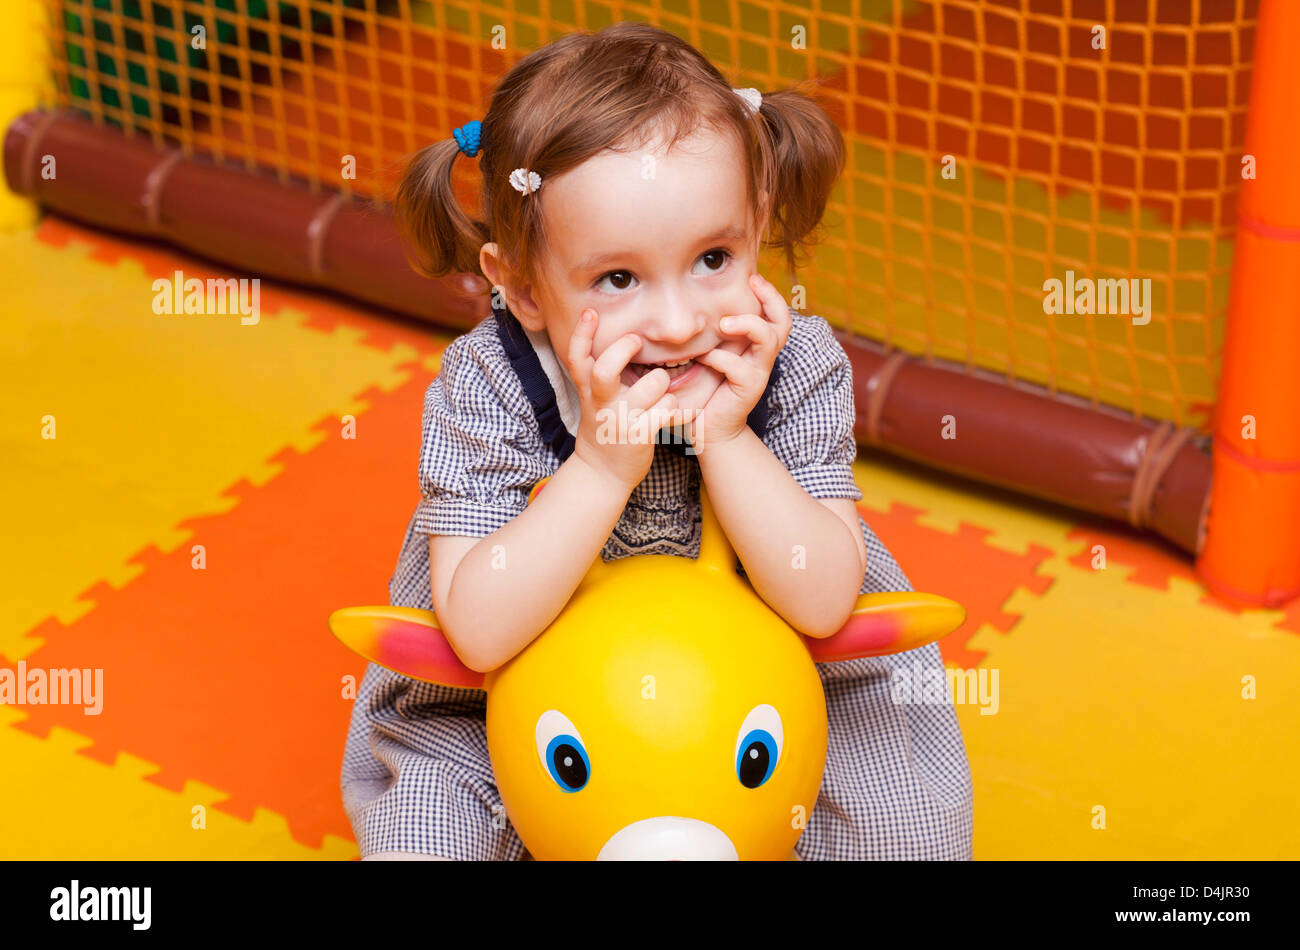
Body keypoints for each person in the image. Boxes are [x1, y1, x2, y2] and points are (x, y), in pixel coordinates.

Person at [340, 20, 973, 861]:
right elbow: (478, 633)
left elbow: (821, 602)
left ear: (757, 221)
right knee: (429, 829)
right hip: (507, 692)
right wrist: (601, 467)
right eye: (618, 278)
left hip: (772, 680)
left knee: (906, 827)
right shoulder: (487, 382)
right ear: (521, 287)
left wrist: (729, 435)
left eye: (714, 258)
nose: (677, 324)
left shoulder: (792, 361)